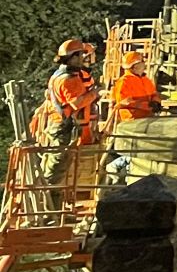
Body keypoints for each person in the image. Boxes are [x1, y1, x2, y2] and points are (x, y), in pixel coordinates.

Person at [28, 40, 97, 204]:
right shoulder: (68, 80)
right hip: (61, 126)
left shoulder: (59, 74)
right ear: (73, 57)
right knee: (57, 167)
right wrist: (95, 94)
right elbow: (77, 103)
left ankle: (51, 206)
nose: (83, 59)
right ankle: (48, 207)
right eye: (81, 55)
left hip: (58, 124)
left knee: (57, 165)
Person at [113, 52, 160, 120]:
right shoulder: (124, 81)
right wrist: (148, 106)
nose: (144, 64)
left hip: (148, 118)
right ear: (135, 66)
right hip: (132, 121)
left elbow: (154, 94)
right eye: (142, 61)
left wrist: (156, 102)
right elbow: (124, 102)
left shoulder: (146, 80)